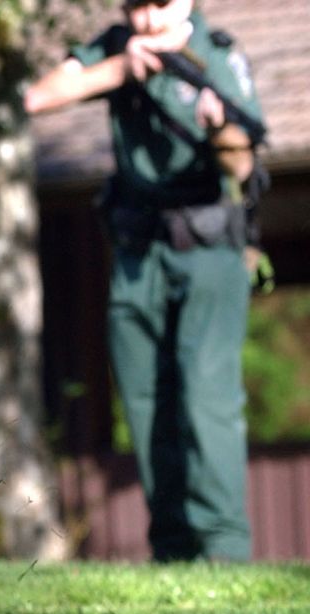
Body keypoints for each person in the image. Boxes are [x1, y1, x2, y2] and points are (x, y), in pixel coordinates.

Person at [24, 0, 264, 562]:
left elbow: (244, 166)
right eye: (137, 6)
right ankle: (172, 550)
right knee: (144, 401)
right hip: (136, 254)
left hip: (206, 250)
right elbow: (37, 97)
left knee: (206, 399)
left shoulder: (216, 56)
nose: (149, 18)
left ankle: (224, 550)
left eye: (161, 4)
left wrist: (220, 129)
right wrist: (121, 68)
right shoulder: (115, 46)